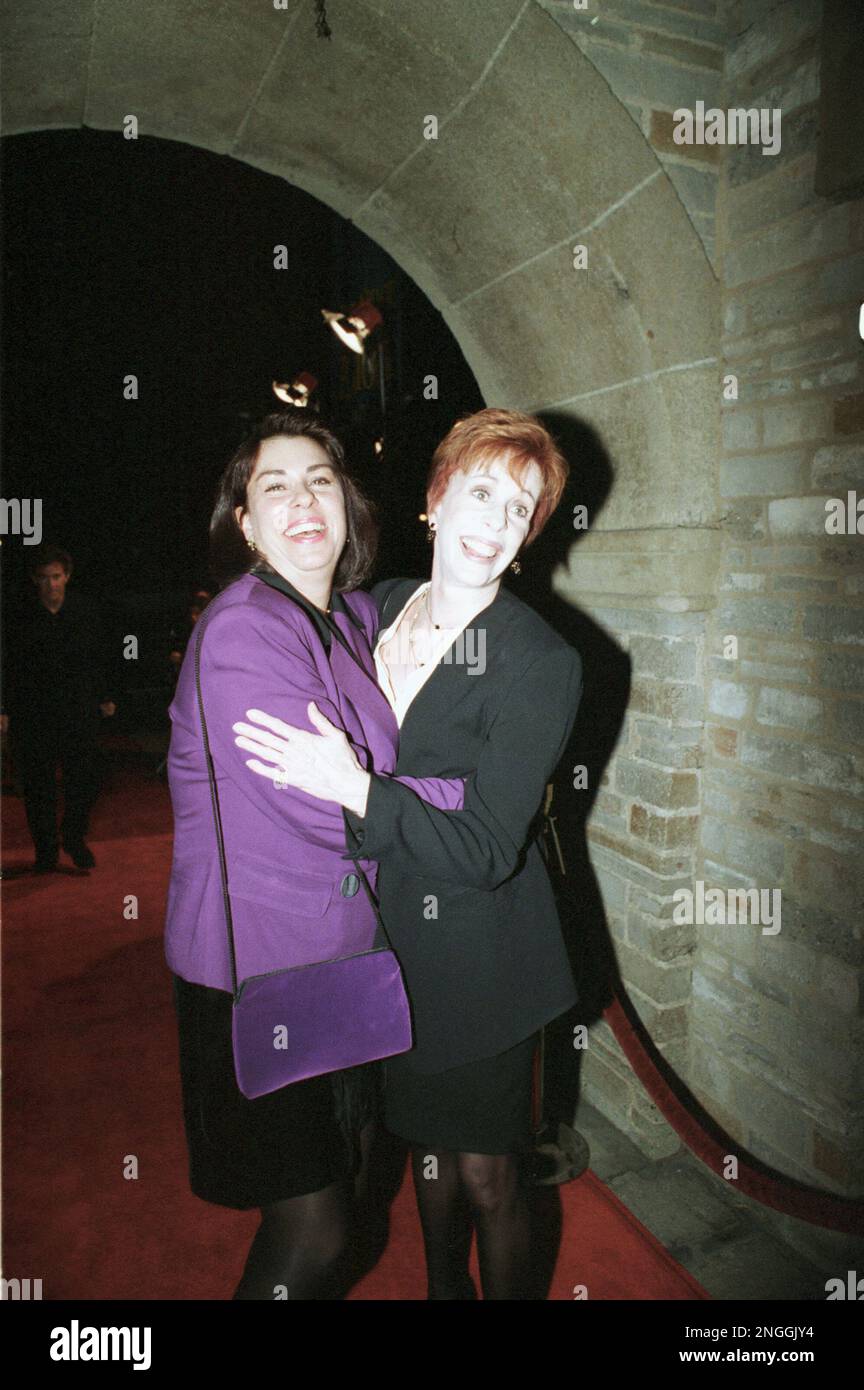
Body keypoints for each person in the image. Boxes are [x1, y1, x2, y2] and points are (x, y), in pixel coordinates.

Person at [232, 407, 584, 1299]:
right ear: (436, 500)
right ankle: (441, 1292)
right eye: (479, 492)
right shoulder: (379, 607)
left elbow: (487, 846)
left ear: (530, 535)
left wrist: (355, 789)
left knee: (487, 1175)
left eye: (520, 508)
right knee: (424, 1153)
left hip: (485, 955)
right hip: (390, 948)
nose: (495, 520)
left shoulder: (539, 661)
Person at [164, 409, 465, 1300]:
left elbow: (373, 766)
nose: (302, 500)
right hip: (261, 969)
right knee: (316, 1226)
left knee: (353, 1192)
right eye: (274, 486)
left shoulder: (348, 618)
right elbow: (318, 812)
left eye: (320, 481)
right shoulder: (245, 632)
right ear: (246, 524)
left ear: (349, 505)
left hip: (345, 955)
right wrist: (463, 807)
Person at [1, 545, 117, 871]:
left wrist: (106, 695)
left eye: (56, 576)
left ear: (66, 576)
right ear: (34, 580)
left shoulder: (85, 612)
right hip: (33, 713)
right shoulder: (19, 618)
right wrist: (4, 708)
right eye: (44, 578)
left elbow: (100, 658)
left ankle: (74, 837)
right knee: (39, 787)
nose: (51, 584)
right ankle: (47, 851)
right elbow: (9, 666)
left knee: (84, 780)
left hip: (77, 711)